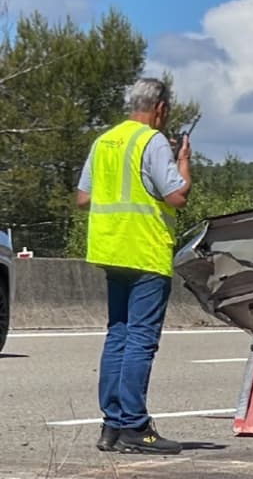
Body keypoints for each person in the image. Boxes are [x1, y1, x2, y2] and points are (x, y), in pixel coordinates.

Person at [76, 78, 192, 454]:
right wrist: (183, 163)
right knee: (141, 340)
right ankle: (135, 426)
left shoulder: (104, 140)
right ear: (159, 108)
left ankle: (111, 425)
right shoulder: (152, 141)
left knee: (118, 335)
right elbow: (176, 196)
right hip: (145, 251)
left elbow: (83, 198)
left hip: (111, 250)